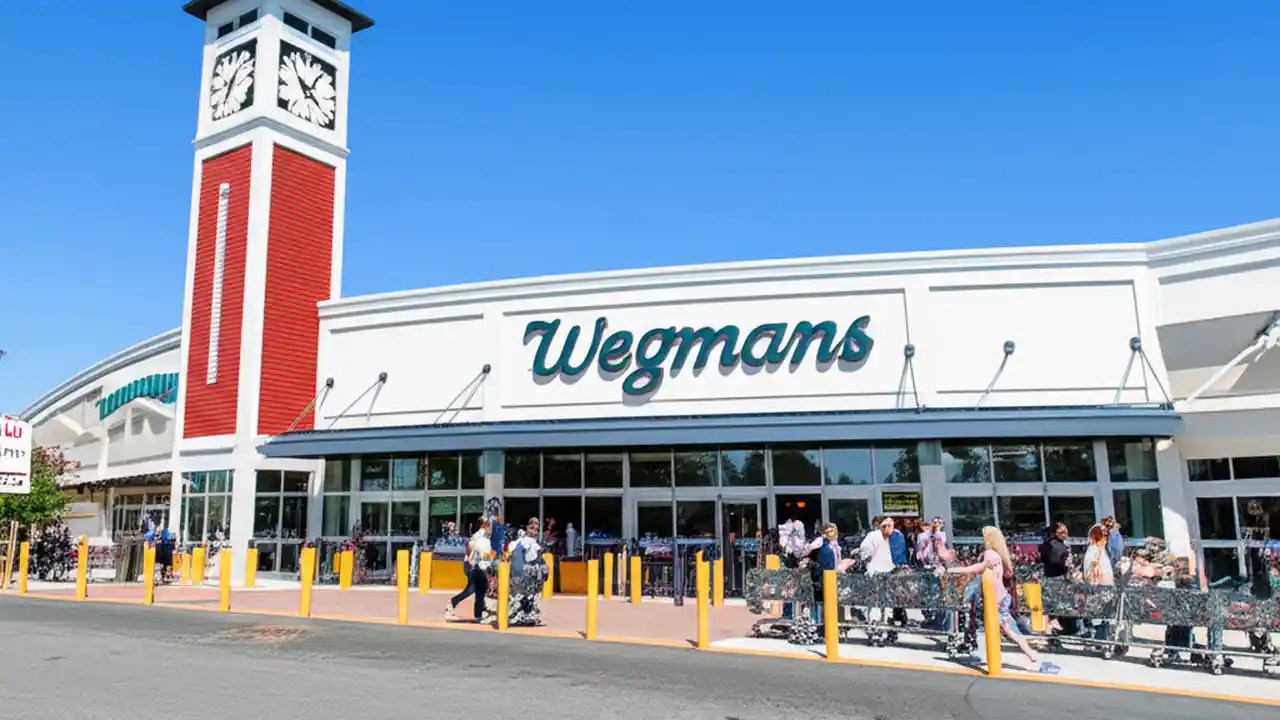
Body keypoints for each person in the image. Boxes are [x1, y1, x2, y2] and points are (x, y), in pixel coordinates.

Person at [947, 526, 1060, 674]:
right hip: (1002, 598)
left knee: (1006, 632)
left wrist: (953, 570)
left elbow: (976, 569)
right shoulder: (998, 555)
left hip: (995, 601)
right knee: (1007, 630)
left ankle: (1031, 652)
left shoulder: (989, 554)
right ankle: (1032, 653)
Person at [446, 519, 493, 623]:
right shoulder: (480, 536)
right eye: (490, 526)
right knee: (472, 589)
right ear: (485, 526)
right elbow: (473, 550)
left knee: (480, 590)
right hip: (475, 566)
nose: (491, 529)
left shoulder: (482, 536)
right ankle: (452, 603)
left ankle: (479, 615)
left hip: (475, 566)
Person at [1038, 523, 1077, 636]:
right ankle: (1062, 628)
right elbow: (1065, 565)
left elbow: (1042, 559)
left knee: (1050, 608)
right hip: (1060, 579)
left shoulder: (1044, 546)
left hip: (1048, 578)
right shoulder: (1063, 548)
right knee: (1063, 606)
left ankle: (1051, 628)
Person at [507, 522, 546, 625]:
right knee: (528, 596)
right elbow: (533, 559)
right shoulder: (530, 544)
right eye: (532, 528)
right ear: (527, 528)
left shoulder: (518, 542)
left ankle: (520, 616)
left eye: (536, 529)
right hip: (526, 575)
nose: (534, 531)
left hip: (516, 575)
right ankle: (526, 617)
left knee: (520, 596)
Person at [1082, 523, 1115, 641]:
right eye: (1104, 536)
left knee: (1104, 615)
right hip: (1098, 588)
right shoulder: (1093, 550)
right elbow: (1088, 571)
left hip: (1105, 588)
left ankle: (1101, 638)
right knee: (1099, 616)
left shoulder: (1102, 549)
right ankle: (1098, 640)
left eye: (1106, 536)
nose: (1106, 539)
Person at [806, 523, 841, 623]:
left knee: (830, 601)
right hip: (820, 576)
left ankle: (830, 622)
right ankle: (817, 622)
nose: (830, 534)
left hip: (832, 576)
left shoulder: (836, 545)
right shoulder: (820, 541)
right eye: (828, 532)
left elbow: (838, 559)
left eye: (832, 531)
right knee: (819, 600)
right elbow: (809, 549)